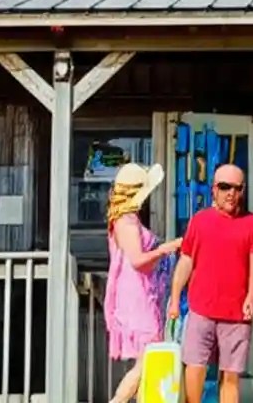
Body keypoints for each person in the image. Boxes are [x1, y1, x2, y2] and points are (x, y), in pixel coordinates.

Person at [167, 163, 253, 403]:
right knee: (194, 370)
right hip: (201, 309)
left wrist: (252, 297)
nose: (231, 193)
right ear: (214, 189)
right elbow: (186, 261)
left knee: (230, 377)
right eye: (224, 187)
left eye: (237, 188)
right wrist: (174, 299)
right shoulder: (200, 221)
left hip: (236, 313)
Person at [104, 162, 182, 403]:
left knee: (148, 358)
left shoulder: (127, 219)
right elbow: (138, 260)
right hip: (136, 294)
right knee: (147, 357)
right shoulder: (126, 223)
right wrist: (166, 248)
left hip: (142, 290)